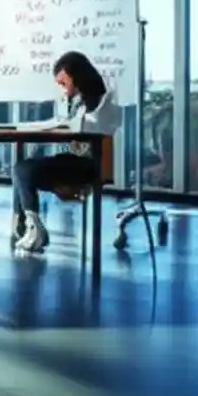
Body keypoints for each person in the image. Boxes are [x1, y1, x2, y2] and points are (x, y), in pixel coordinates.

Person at [11, 51, 122, 253]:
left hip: (88, 167)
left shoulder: (103, 103)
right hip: (76, 161)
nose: (62, 89)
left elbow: (98, 128)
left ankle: (32, 227)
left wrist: (73, 126)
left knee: (22, 170)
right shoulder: (78, 102)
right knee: (22, 169)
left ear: (77, 77)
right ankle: (29, 225)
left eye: (64, 82)